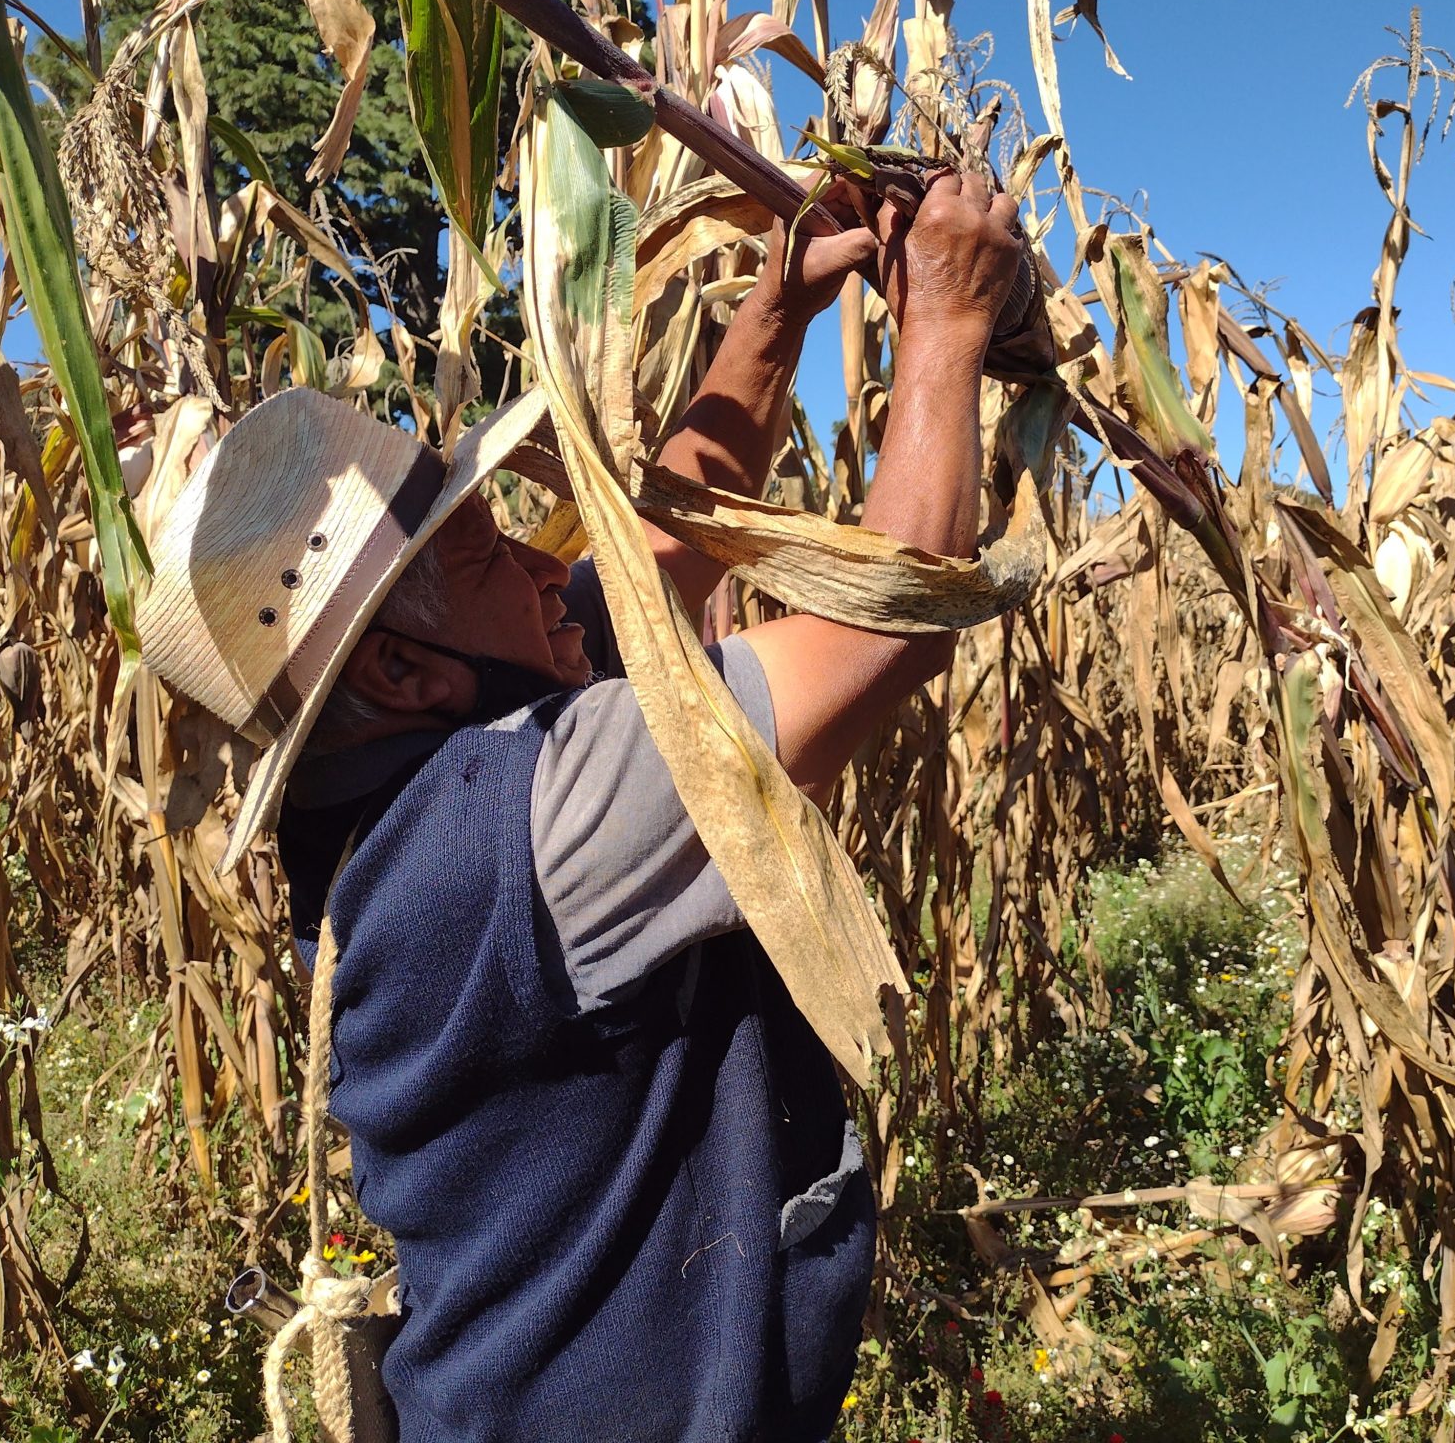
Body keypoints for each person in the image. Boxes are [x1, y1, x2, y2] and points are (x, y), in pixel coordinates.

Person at [136, 172, 1022, 1441]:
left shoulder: (394, 810)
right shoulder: (517, 828)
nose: (552, 568)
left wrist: (775, 309)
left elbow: (667, 538)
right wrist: (943, 324)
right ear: (399, 670)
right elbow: (887, 621)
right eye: (490, 552)